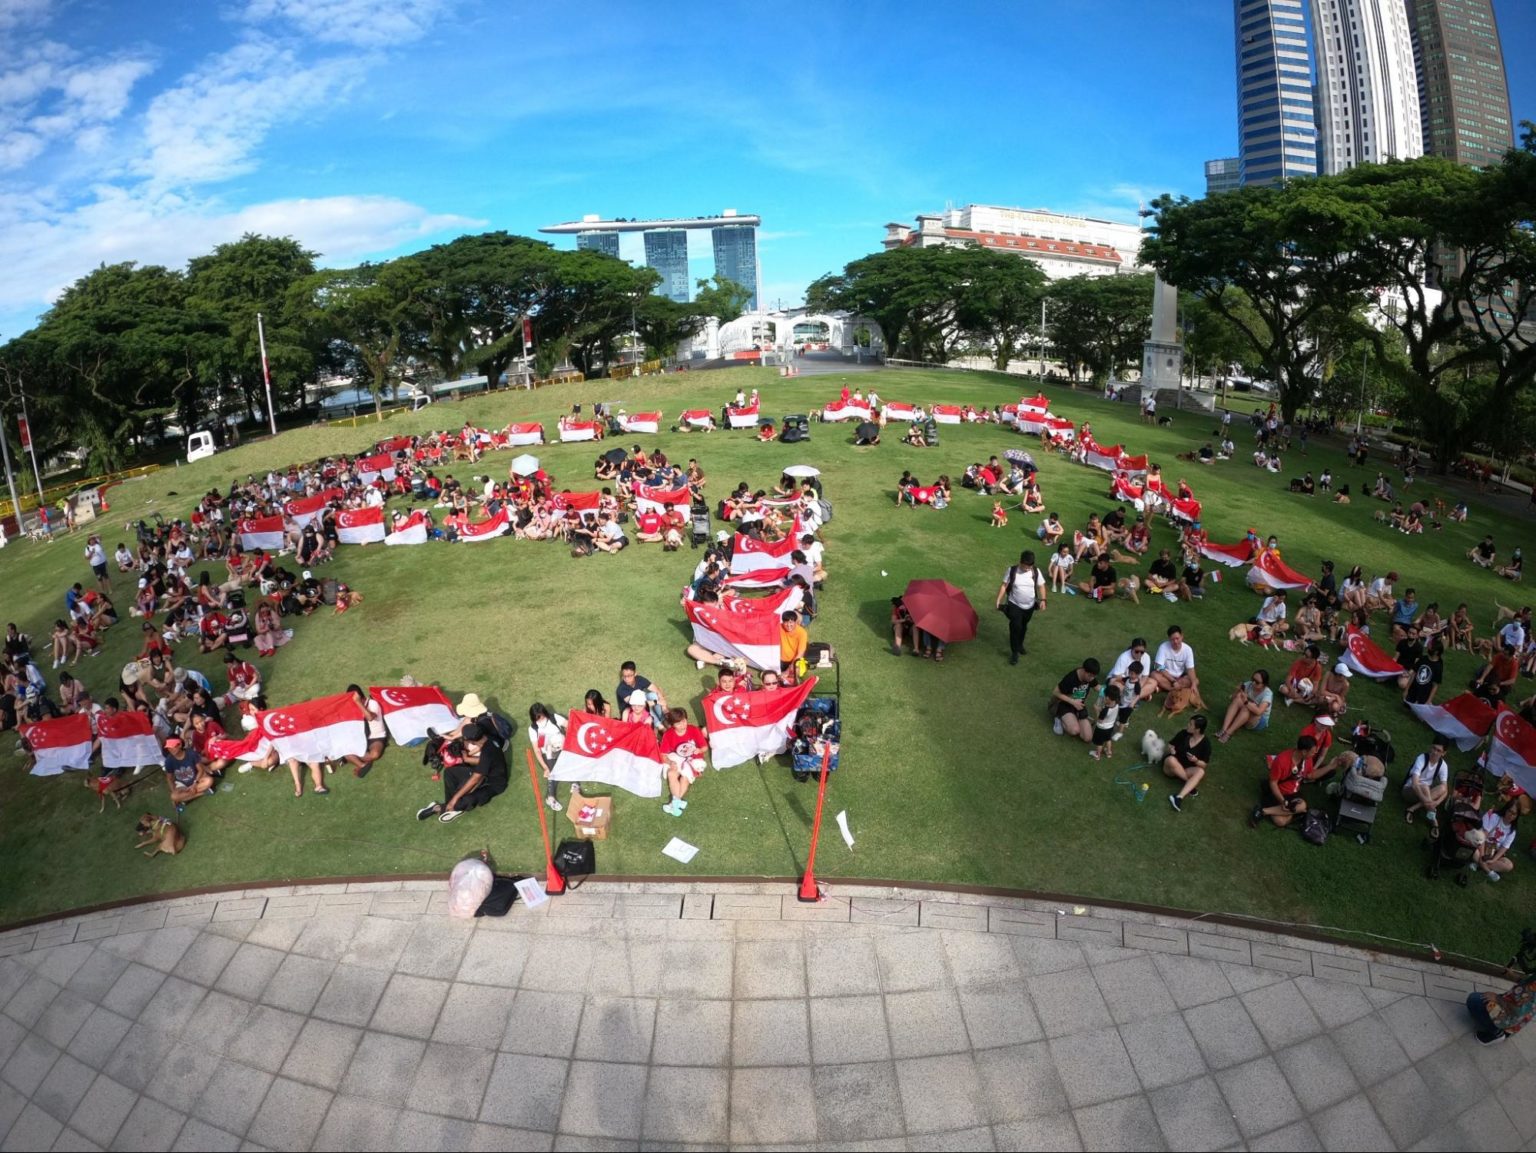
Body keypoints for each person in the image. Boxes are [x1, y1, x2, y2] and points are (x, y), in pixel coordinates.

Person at [416, 721, 508, 822]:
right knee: (449, 772)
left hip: (494, 784)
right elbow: (489, 759)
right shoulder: (487, 739)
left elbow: (475, 779)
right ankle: (449, 807)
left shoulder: (486, 753)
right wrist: (467, 759)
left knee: (465, 801)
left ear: (471, 741)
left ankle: (445, 807)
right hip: (486, 772)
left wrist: (455, 799)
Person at [1250, 734, 1318, 829]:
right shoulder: (1282, 760)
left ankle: (1262, 811)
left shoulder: (1307, 759)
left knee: (1301, 806)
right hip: (1278, 792)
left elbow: (1310, 775)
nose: (1314, 754)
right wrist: (1282, 801)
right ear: (1304, 752)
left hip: (1293, 793)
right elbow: (1273, 783)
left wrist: (1331, 766)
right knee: (1280, 821)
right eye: (1312, 752)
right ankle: (1292, 812)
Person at [996, 550, 1047, 666]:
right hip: (1015, 604)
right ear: (1021, 562)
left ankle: (1020, 645)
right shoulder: (1012, 571)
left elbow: (1041, 586)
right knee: (1016, 627)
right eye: (1026, 566)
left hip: (1029, 606)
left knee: (1023, 626)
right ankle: (1014, 652)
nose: (1028, 568)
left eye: (1030, 566)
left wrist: (1043, 600)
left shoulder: (1035, 571)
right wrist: (998, 600)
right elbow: (1004, 585)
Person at [1464, 970, 1536, 1045]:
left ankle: (1496, 1033)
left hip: (1510, 1018)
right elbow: (1529, 988)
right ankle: (1500, 1027)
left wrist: (1497, 998)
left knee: (1474, 1000)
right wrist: (1515, 977)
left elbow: (1519, 1012)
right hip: (1513, 1015)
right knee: (1478, 999)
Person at [660, 707, 709, 816]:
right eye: (678, 723)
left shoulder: (694, 729)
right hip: (677, 757)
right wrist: (669, 762)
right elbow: (663, 754)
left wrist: (699, 750)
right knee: (671, 773)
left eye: (684, 721)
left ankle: (674, 803)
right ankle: (677, 802)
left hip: (693, 758)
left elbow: (705, 747)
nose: (682, 725)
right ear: (672, 725)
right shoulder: (668, 734)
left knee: (684, 778)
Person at [1164, 715, 1212, 811]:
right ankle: (1189, 784)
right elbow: (1170, 745)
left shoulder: (1206, 743)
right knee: (1171, 760)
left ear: (1197, 729)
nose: (1188, 725)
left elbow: (1204, 764)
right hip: (1170, 768)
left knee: (1201, 772)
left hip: (1186, 769)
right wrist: (1171, 749)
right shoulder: (1183, 734)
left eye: (1190, 724)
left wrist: (1196, 761)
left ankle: (1179, 797)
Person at [527, 702, 568, 811]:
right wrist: (545, 767)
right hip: (548, 752)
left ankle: (575, 785)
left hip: (563, 748)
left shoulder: (554, 718)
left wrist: (566, 740)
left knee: (571, 764)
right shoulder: (533, 729)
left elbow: (569, 725)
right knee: (552, 772)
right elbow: (537, 750)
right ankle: (550, 797)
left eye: (541, 717)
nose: (540, 721)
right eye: (537, 719)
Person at [1050, 658, 1100, 743]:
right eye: (1090, 676)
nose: (1092, 679)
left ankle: (1074, 719)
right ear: (1084, 670)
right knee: (1074, 730)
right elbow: (1055, 692)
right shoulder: (1071, 678)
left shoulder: (1090, 677)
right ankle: (1058, 718)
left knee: (1087, 738)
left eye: (1093, 676)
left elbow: (1098, 687)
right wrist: (1072, 702)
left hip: (1079, 706)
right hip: (1064, 704)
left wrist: (1111, 691)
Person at [1216, 669, 1273, 743]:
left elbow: (1259, 712)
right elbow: (1233, 699)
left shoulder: (1267, 694)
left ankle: (1228, 733)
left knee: (1247, 706)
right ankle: (1223, 729)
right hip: (1244, 714)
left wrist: (1246, 701)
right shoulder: (1249, 684)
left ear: (1264, 684)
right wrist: (1237, 691)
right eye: (1253, 679)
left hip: (1258, 721)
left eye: (1257, 682)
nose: (1253, 683)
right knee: (1238, 698)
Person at [1402, 741, 1450, 824]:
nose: (1434, 752)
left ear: (1444, 753)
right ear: (1431, 747)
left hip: (1425, 792)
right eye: (1433, 748)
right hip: (1409, 790)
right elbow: (1414, 785)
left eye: (1438, 751)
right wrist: (1428, 803)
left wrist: (1435, 803)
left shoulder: (1443, 765)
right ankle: (1433, 818)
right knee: (1425, 787)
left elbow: (1445, 790)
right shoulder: (1422, 758)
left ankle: (1412, 809)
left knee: (1442, 788)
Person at [162, 736, 216, 810]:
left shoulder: (191, 753)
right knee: (174, 796)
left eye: (172, 747)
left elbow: (200, 770)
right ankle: (201, 793)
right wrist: (173, 791)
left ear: (180, 745)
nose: (170, 750)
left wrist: (194, 784)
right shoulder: (168, 761)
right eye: (168, 748)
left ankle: (186, 798)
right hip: (182, 785)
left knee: (209, 781)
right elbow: (169, 778)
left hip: (196, 779)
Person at [1152, 626, 1199, 697]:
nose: (1175, 642)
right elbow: (1158, 666)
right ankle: (1172, 689)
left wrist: (1194, 684)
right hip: (1166, 676)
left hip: (1180, 677)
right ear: (1169, 639)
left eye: (1177, 638)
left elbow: (1190, 669)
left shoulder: (1188, 649)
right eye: (1172, 639)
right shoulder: (1163, 647)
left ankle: (1164, 688)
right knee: (1154, 674)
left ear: (1182, 636)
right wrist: (1173, 681)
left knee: (1195, 680)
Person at [1088, 684, 1122, 761]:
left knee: (1099, 743)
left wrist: (1096, 710)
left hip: (1102, 728)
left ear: (1107, 697)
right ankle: (1109, 752)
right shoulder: (1116, 704)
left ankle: (1097, 755)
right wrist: (1101, 709)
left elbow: (1100, 720)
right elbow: (1106, 713)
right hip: (1110, 727)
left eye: (1105, 696)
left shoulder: (1105, 710)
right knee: (1108, 739)